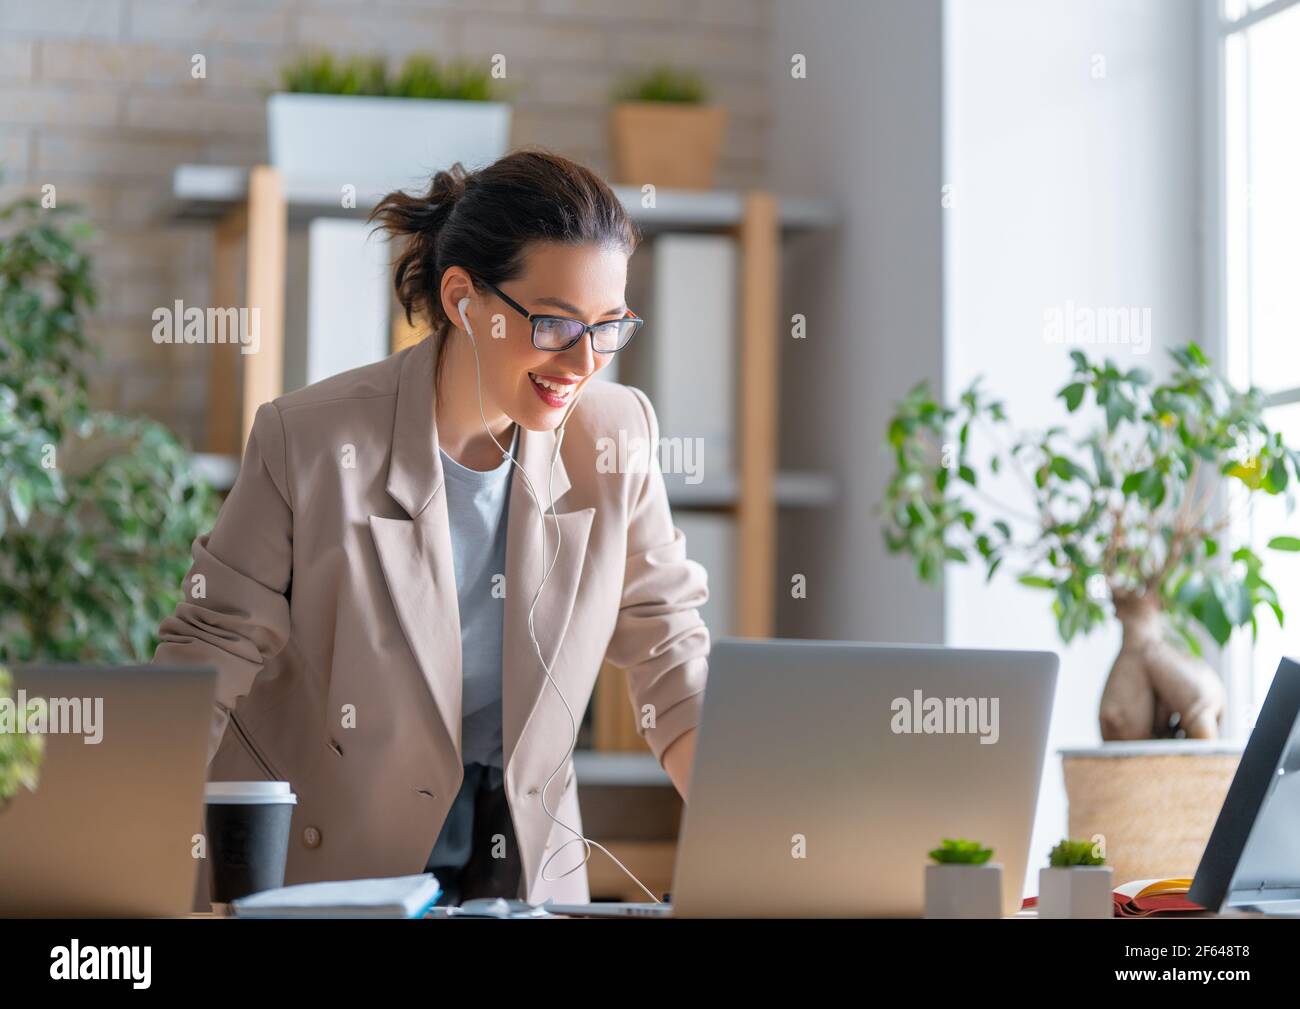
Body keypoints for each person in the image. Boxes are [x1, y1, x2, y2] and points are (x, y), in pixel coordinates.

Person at [154, 148, 711, 908]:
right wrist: (136, 851)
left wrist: (758, 831)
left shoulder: (617, 435)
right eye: (553, 324)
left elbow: (669, 651)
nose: (584, 362)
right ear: (462, 298)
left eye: (609, 327)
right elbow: (209, 650)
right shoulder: (310, 439)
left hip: (524, 859)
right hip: (341, 860)